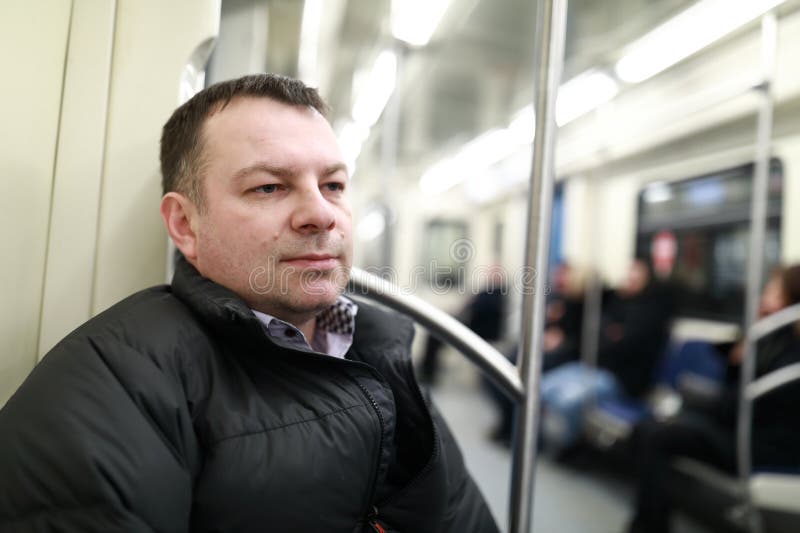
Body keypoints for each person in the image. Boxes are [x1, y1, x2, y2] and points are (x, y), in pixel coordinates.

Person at [0, 74, 499, 533]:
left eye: (333, 186)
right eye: (269, 187)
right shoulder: (112, 389)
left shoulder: (379, 354)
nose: (321, 214)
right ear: (185, 225)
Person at [626, 265, 800, 533]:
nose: (763, 296)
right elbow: (737, 395)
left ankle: (649, 526)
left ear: (790, 299)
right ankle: (649, 520)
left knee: (660, 435)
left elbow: (746, 407)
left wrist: (696, 404)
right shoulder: (770, 337)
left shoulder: (790, 351)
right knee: (648, 427)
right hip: (743, 429)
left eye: (772, 290)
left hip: (763, 444)